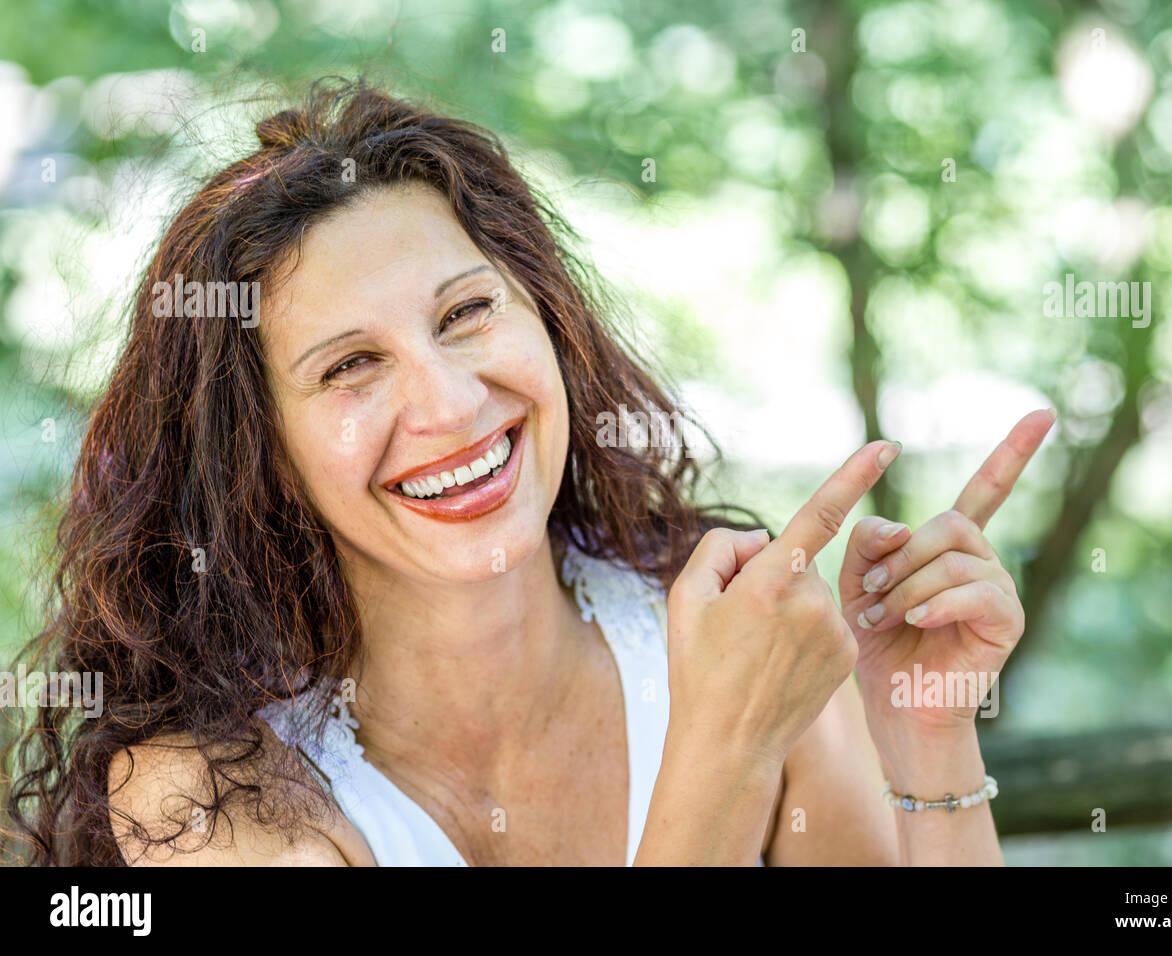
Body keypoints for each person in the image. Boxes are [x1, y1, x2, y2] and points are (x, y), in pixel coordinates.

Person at [2, 78, 1052, 866]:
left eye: (466, 313)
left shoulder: (735, 640)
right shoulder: (207, 800)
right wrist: (724, 754)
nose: (451, 405)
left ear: (547, 320)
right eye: (351, 366)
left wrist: (927, 739)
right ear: (260, 456)